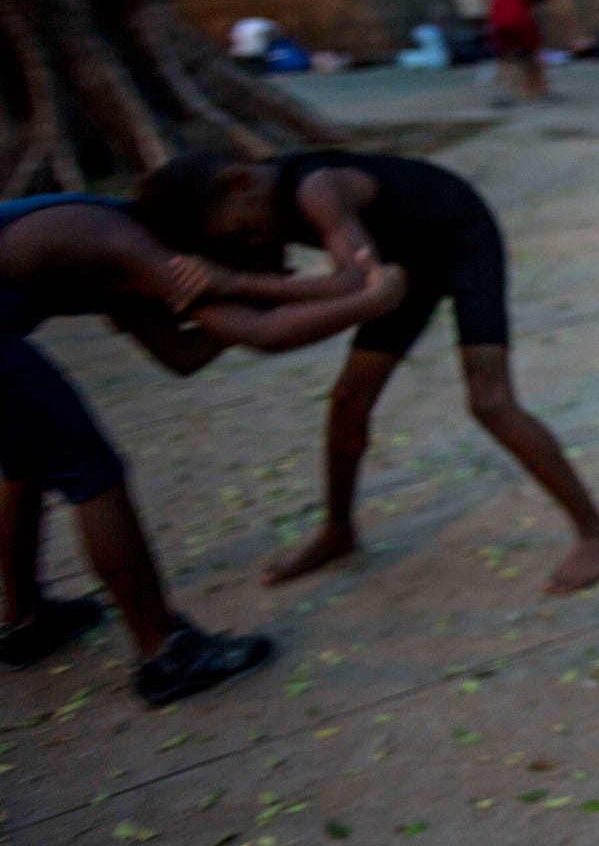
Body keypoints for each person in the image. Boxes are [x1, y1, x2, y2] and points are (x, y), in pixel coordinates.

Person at [134, 150, 599, 594]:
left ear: (240, 181)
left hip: (460, 236)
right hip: (396, 266)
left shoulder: (314, 188)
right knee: (350, 400)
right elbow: (306, 291)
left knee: (490, 401)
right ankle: (338, 531)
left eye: (241, 232)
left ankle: (598, 532)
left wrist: (237, 281)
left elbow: (353, 282)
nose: (248, 242)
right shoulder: (254, 202)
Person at [0, 192, 406, 704]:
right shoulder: (132, 246)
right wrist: (370, 300)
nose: (278, 266)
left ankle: (27, 619)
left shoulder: (130, 251)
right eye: (263, 251)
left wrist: (257, 293)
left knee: (30, 456)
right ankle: (166, 654)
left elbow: (182, 354)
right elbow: (263, 335)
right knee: (93, 475)